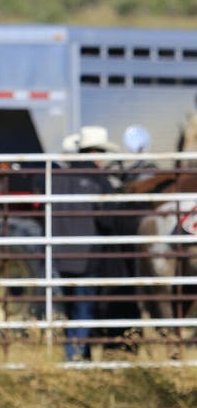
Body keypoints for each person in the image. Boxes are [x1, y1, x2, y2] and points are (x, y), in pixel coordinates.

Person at [52, 125, 122, 361]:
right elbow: (108, 219)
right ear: (96, 152)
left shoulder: (58, 177)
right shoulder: (100, 179)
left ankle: (70, 351)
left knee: (70, 306)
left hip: (59, 253)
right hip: (88, 254)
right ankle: (76, 355)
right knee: (85, 305)